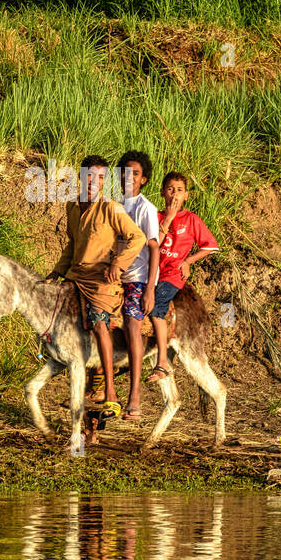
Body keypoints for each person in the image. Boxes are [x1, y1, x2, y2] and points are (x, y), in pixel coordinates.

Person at [47, 156, 146, 417]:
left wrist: (118, 264)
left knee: (100, 324)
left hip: (101, 281)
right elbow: (72, 244)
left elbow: (138, 238)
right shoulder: (72, 207)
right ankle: (75, 383)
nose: (94, 182)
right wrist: (57, 270)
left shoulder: (111, 208)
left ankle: (110, 392)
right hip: (75, 275)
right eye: (90, 176)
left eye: (101, 178)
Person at [147, 171, 219, 383]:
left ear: (186, 195)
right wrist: (168, 218)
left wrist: (188, 261)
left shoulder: (191, 220)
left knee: (157, 305)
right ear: (162, 193)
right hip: (153, 272)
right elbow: (153, 245)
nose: (174, 195)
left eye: (179, 190)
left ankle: (163, 362)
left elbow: (210, 246)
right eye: (170, 189)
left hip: (172, 275)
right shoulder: (156, 217)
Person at [114, 150, 160, 421]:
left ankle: (134, 395)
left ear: (144, 179)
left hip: (138, 277)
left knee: (132, 323)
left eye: (135, 173)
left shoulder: (145, 208)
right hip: (114, 275)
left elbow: (153, 248)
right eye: (125, 172)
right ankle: (97, 389)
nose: (129, 177)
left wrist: (151, 288)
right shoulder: (114, 206)